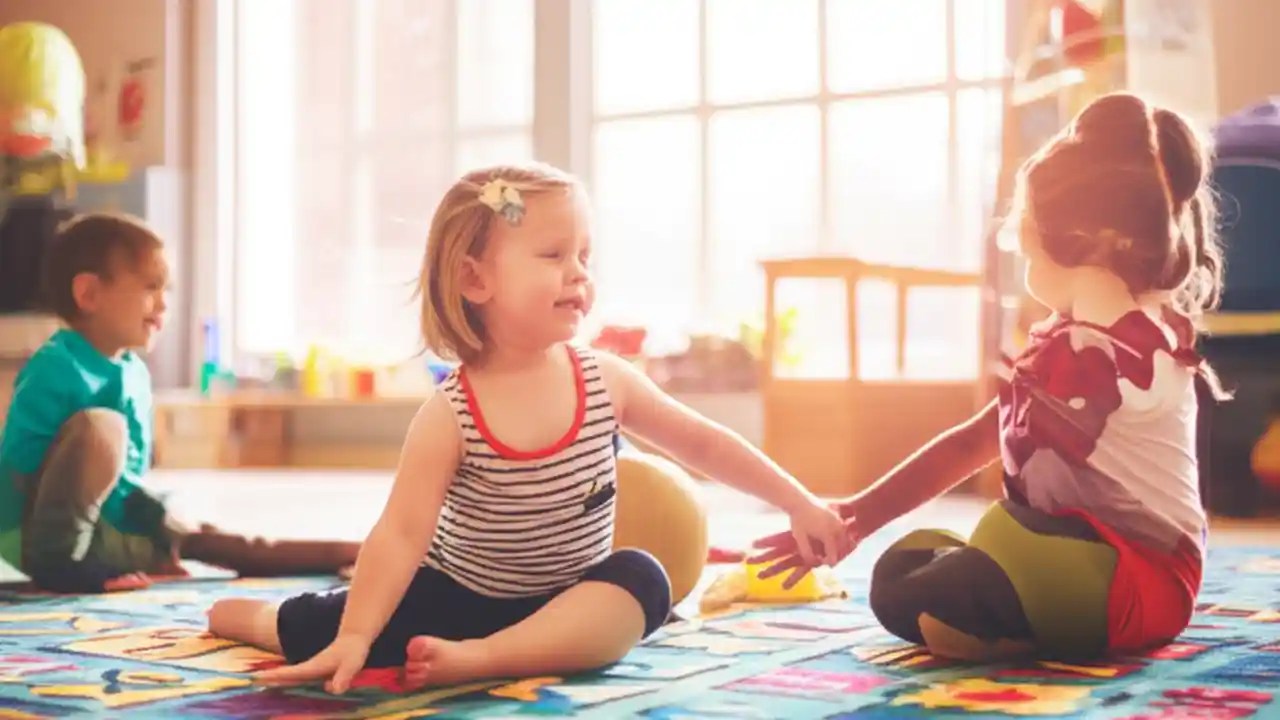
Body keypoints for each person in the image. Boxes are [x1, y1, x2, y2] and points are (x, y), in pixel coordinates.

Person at [208, 162, 850, 694]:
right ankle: (260, 615)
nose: (579, 273)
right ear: (473, 278)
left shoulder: (606, 380)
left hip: (570, 599)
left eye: (584, 255)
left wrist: (799, 502)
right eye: (552, 254)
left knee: (644, 580)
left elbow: (705, 444)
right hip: (455, 596)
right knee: (329, 627)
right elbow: (401, 535)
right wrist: (351, 637)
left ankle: (486, 659)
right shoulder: (451, 413)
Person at [751, 92, 1227, 662]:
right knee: (901, 570)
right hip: (1061, 557)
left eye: (1026, 243)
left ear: (1093, 243)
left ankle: (1001, 616)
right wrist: (856, 517)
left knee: (1004, 535)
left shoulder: (1126, 343)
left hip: (1141, 584)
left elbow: (1078, 381)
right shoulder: (1072, 337)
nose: (1022, 261)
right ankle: (1001, 618)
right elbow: (973, 441)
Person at [0, 212, 359, 593]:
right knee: (102, 428)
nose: (163, 304)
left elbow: (128, 483)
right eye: (151, 287)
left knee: (220, 544)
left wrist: (161, 524)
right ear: (89, 294)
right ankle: (65, 568)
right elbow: (21, 475)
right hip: (37, 538)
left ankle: (355, 552)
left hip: (110, 527)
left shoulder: (133, 371)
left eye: (166, 290)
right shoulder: (55, 366)